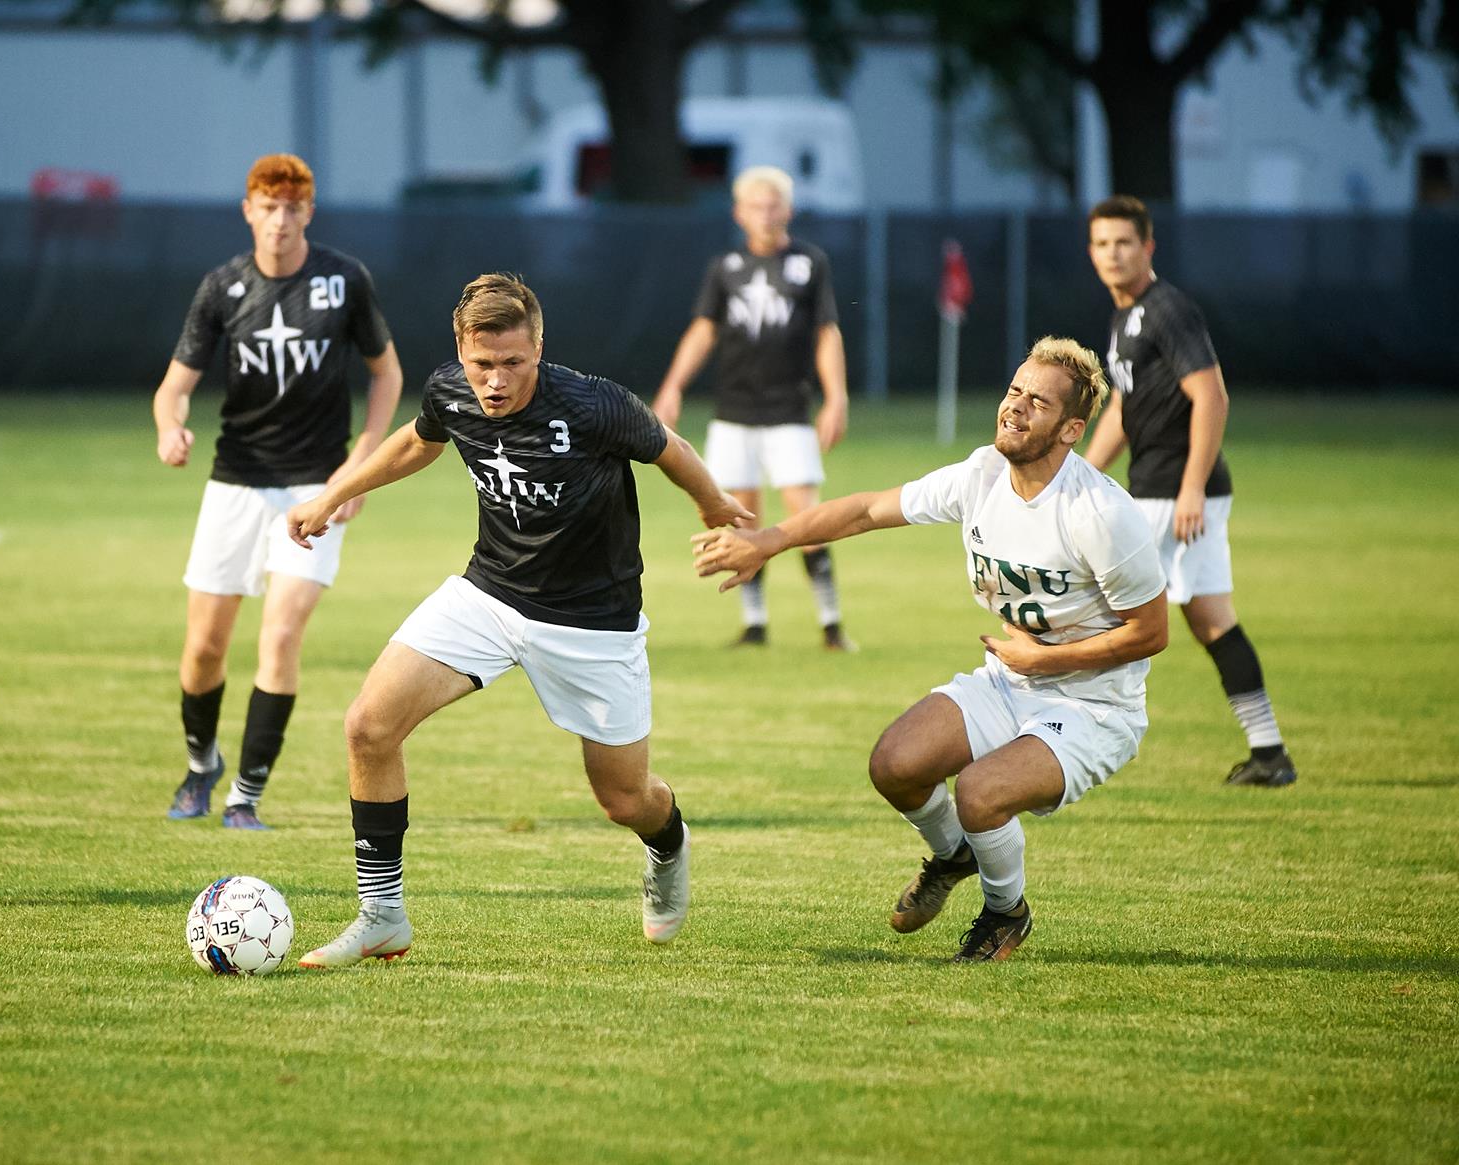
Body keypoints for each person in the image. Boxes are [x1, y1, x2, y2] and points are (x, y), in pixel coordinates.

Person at [285, 273, 750, 968]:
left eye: (512, 363)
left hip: (594, 622)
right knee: (368, 725)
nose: (495, 382)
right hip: (489, 594)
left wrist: (714, 507)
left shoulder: (594, 404)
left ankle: (668, 842)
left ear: (538, 347)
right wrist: (334, 495)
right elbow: (420, 440)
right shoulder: (449, 389)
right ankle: (382, 914)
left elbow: (671, 449)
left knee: (624, 798)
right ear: (461, 350)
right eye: (482, 364)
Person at [693, 338, 1169, 962]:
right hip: (1012, 680)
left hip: (1094, 706)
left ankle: (1006, 914)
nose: (1016, 409)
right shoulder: (982, 476)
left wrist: (1043, 660)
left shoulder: (1100, 513)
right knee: (895, 763)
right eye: (1014, 392)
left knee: (980, 792)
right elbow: (865, 510)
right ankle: (956, 855)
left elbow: (1152, 632)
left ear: (1072, 430)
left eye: (1039, 404)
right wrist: (770, 539)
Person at [152, 153, 404, 830]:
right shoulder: (222, 287)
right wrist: (169, 428)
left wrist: (361, 463)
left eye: (294, 207)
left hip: (316, 487)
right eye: (269, 206)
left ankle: (247, 795)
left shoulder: (343, 280)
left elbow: (387, 374)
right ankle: (202, 765)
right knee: (205, 646)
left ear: (309, 213)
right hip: (236, 480)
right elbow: (174, 388)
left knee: (282, 633)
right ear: (249, 211)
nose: (282, 220)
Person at [1084, 195, 1297, 788]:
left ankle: (1062, 738)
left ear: (1148, 247)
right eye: (1102, 243)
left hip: (1171, 491)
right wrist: (1076, 473)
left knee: (1099, 610)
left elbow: (1212, 396)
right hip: (1161, 486)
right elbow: (1126, 406)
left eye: (1124, 242)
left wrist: (1191, 489)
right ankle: (1269, 753)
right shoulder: (1125, 317)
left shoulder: (1168, 309)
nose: (1112, 254)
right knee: (1211, 621)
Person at [652, 165, 854, 651]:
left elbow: (827, 331)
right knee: (742, 517)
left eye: (773, 205)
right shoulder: (726, 268)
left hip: (788, 409)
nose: (765, 215)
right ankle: (755, 623)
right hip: (734, 411)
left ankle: (830, 623)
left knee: (805, 515)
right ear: (739, 213)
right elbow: (704, 330)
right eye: (755, 206)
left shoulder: (809, 263)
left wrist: (837, 396)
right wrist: (673, 386)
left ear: (788, 209)